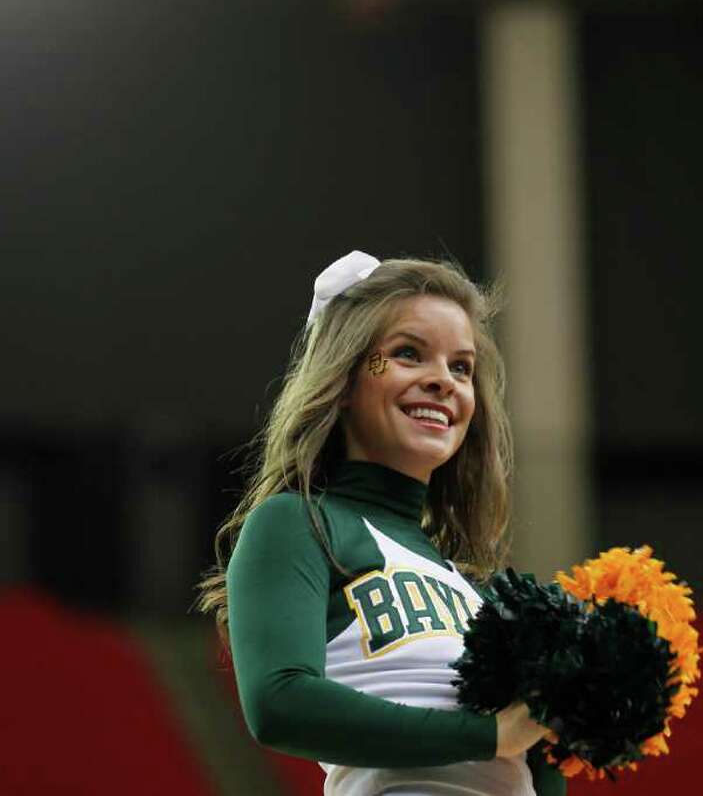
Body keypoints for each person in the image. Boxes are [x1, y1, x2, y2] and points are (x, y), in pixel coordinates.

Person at [195, 251, 565, 796]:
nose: (443, 381)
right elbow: (279, 702)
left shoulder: (477, 591)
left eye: (461, 367)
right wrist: (489, 735)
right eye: (408, 353)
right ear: (345, 378)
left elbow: (534, 763)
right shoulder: (297, 524)